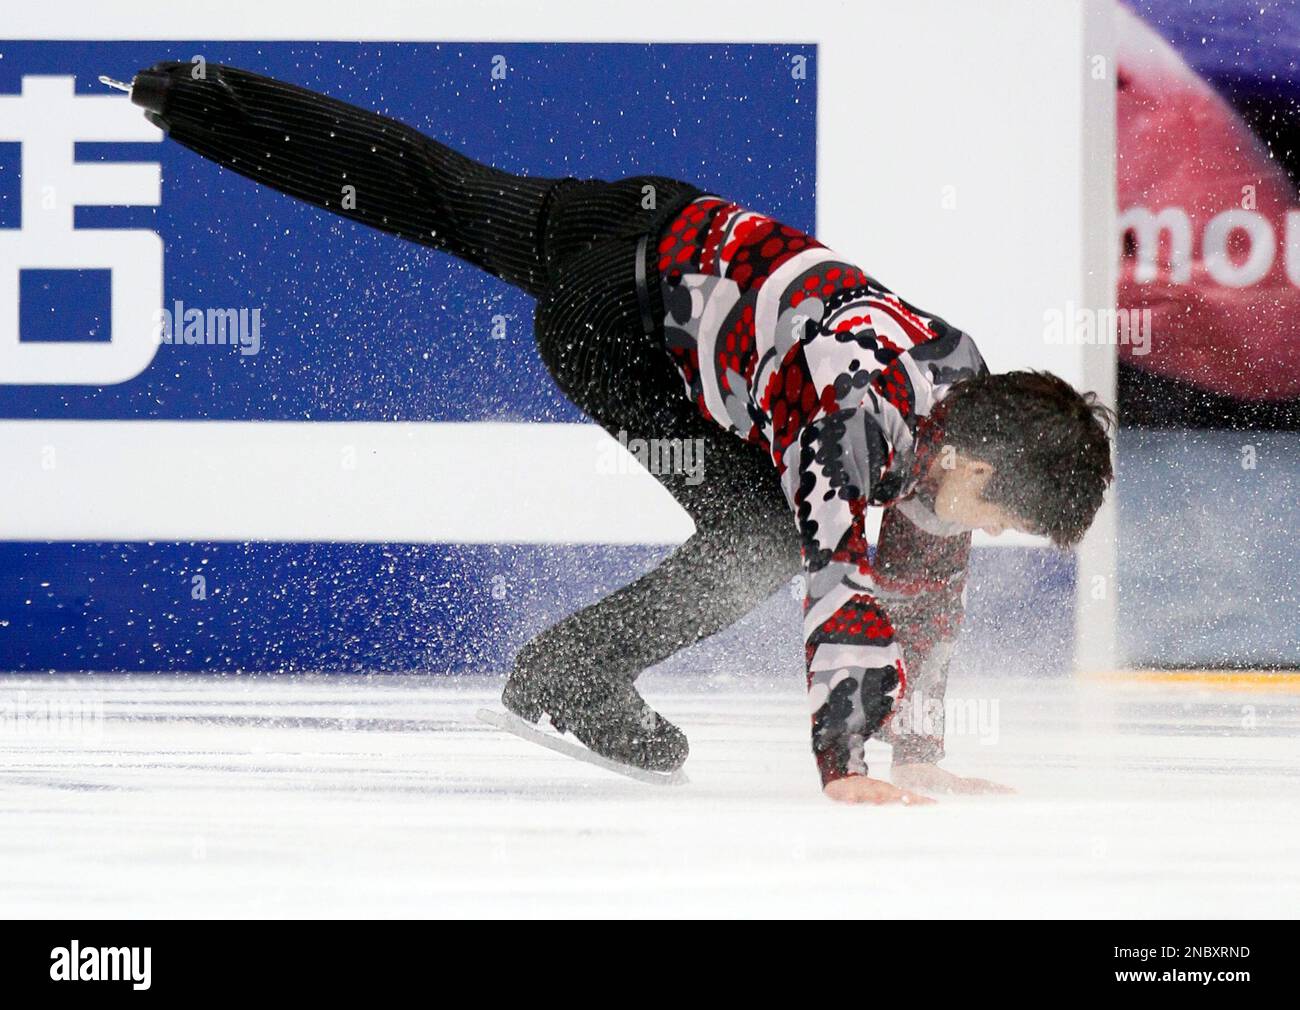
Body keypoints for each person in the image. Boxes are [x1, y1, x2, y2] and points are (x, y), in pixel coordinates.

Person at [127, 61, 1114, 804]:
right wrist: (848, 763)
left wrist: (923, 751)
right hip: (618, 319)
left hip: (664, 227)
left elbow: (930, 577)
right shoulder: (856, 419)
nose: (986, 530)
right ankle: (572, 671)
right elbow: (845, 574)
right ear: (971, 459)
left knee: (434, 187)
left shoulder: (968, 397)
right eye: (999, 512)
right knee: (769, 538)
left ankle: (199, 100)